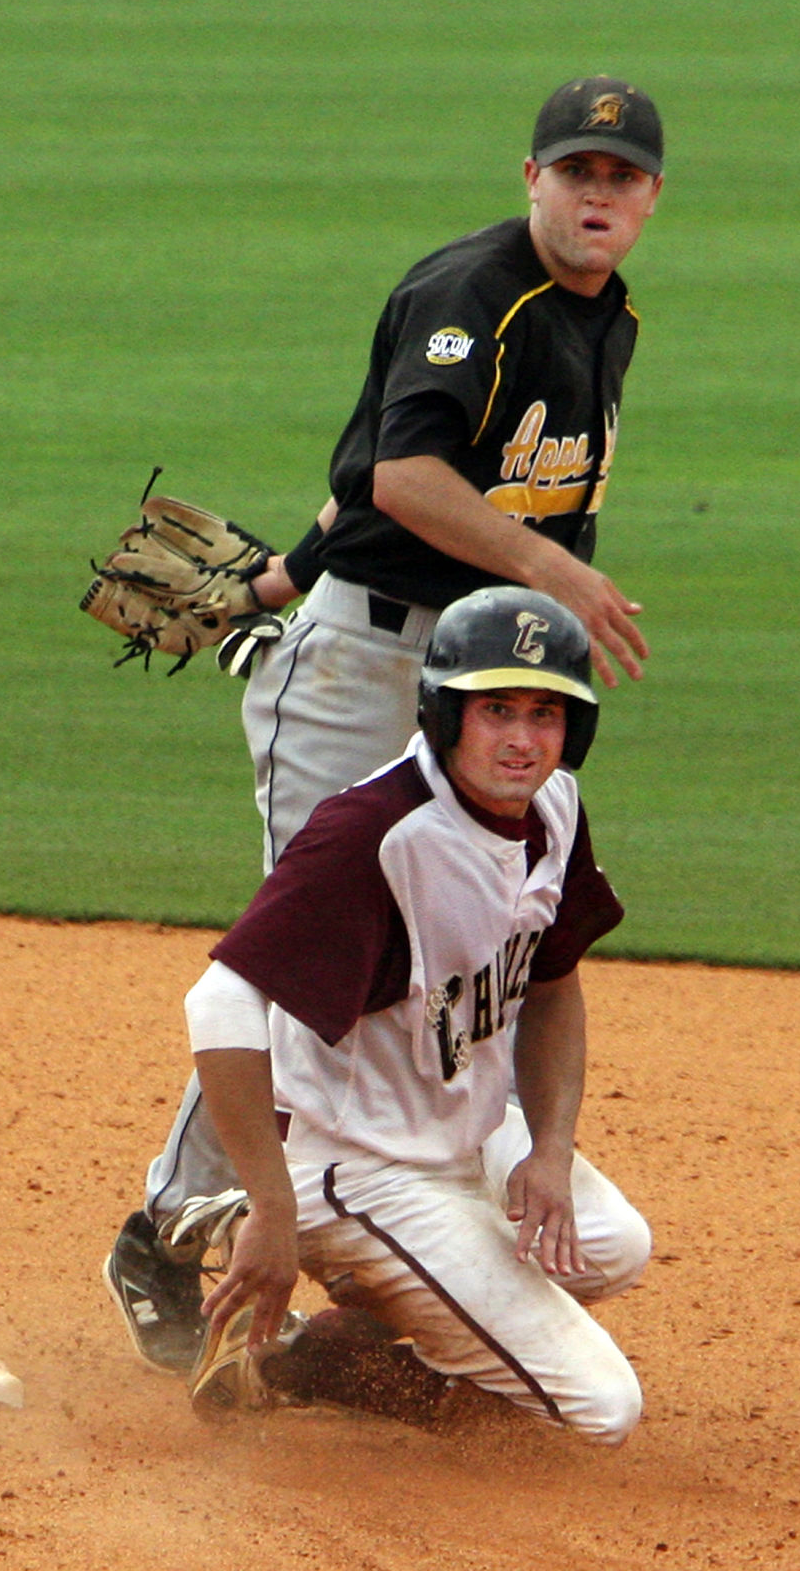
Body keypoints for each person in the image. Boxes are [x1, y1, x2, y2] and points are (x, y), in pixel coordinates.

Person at [103, 76, 663, 1372]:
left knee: (405, 948)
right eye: (573, 170)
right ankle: (166, 1233)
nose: (593, 195)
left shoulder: (604, 321)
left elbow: (368, 470)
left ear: (646, 199)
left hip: (448, 686)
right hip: (363, 669)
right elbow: (404, 477)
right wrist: (553, 574)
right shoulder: (469, 298)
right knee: (304, 961)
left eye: (617, 177)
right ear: (529, 174)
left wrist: (268, 581)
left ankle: (369, 1262)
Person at [181, 587, 649, 1439]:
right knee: (599, 1411)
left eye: (545, 714)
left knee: (615, 1245)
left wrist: (549, 1148)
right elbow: (218, 999)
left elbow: (551, 982)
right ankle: (345, 1360)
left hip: (464, 1131)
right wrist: (272, 1206)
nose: (520, 739)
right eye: (495, 709)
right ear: (442, 713)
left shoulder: (553, 807)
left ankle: (341, 1340)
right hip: (356, 1168)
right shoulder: (375, 835)